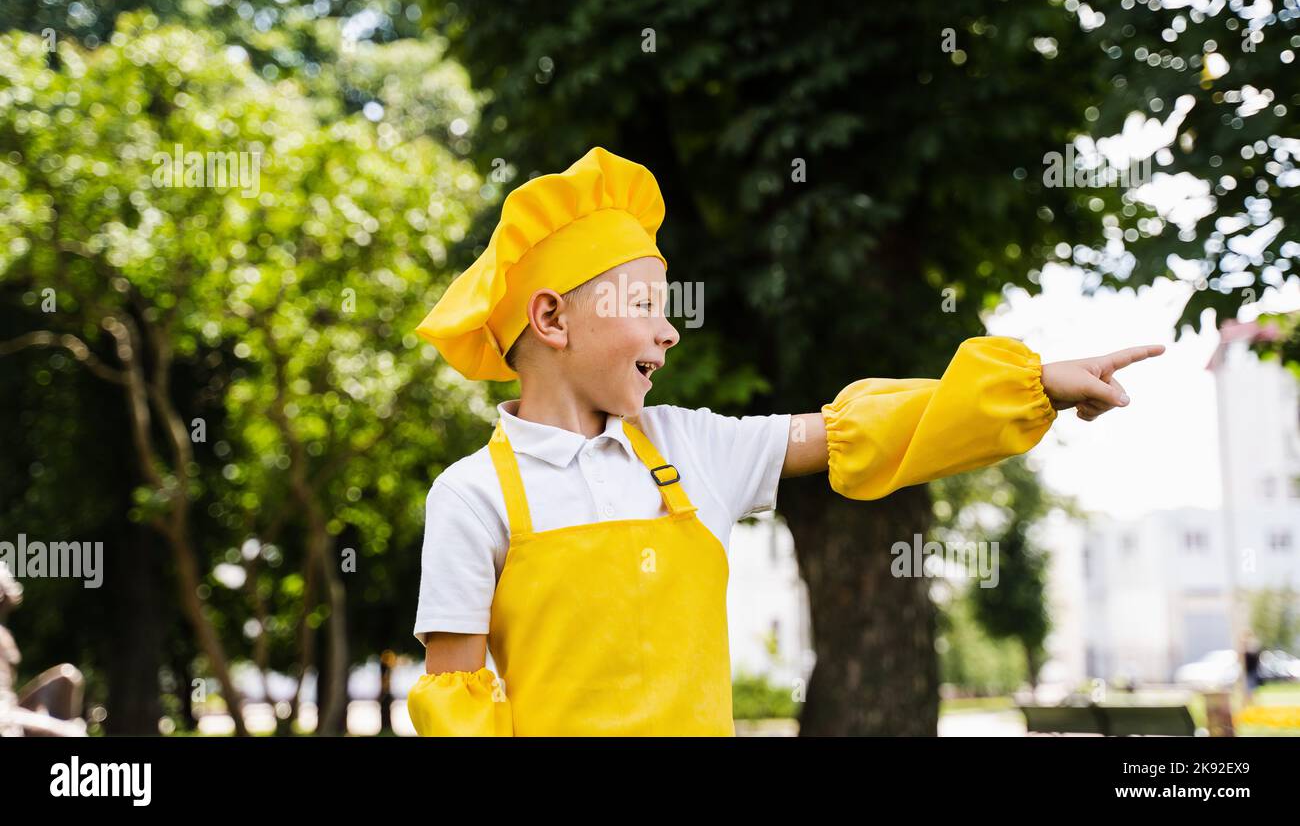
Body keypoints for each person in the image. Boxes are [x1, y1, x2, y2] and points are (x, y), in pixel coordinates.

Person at [405, 145, 1164, 736]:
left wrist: (1037, 384)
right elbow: (460, 703)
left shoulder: (691, 448)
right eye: (643, 304)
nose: (670, 330)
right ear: (551, 320)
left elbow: (852, 432)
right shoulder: (473, 498)